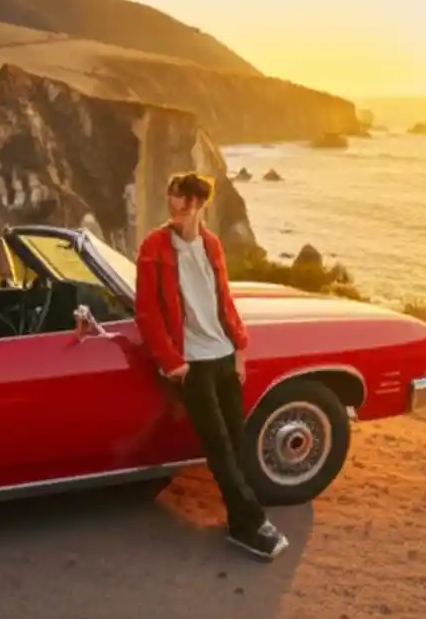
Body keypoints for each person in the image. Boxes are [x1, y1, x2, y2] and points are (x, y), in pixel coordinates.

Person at [133, 171, 289, 560]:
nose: (177, 205)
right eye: (173, 196)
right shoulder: (154, 246)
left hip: (222, 354)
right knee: (217, 443)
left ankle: (239, 521)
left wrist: (240, 349)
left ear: (200, 204)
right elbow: (147, 312)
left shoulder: (211, 244)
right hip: (193, 364)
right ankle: (253, 523)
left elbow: (224, 299)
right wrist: (173, 363)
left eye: (185, 199)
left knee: (235, 438)